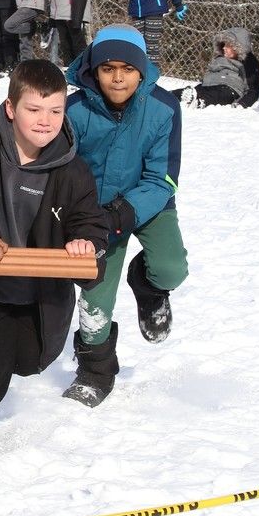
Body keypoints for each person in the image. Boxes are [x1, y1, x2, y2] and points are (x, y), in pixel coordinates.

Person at [0, 60, 108, 445]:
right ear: (10, 108)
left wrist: (85, 240)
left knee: (28, 360)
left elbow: (89, 219)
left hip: (37, 287)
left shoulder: (73, 170)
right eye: (33, 109)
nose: (45, 121)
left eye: (55, 111)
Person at [63, 24, 188, 408]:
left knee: (171, 269)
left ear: (141, 70)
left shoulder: (163, 108)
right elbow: (64, 168)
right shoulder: (74, 109)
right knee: (95, 295)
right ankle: (95, 371)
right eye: (107, 68)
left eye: (127, 69)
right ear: (93, 70)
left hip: (147, 203)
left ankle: (147, 285)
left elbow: (163, 177)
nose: (118, 78)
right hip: (93, 212)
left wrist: (123, 213)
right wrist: (85, 217)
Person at [170, 27, 259, 109]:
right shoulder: (220, 58)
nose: (224, 48)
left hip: (230, 89)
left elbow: (253, 89)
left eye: (228, 46)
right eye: (224, 44)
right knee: (194, 91)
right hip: (210, 85)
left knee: (216, 95)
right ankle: (168, 96)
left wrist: (243, 104)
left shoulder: (248, 61)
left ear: (238, 47)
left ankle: (199, 102)